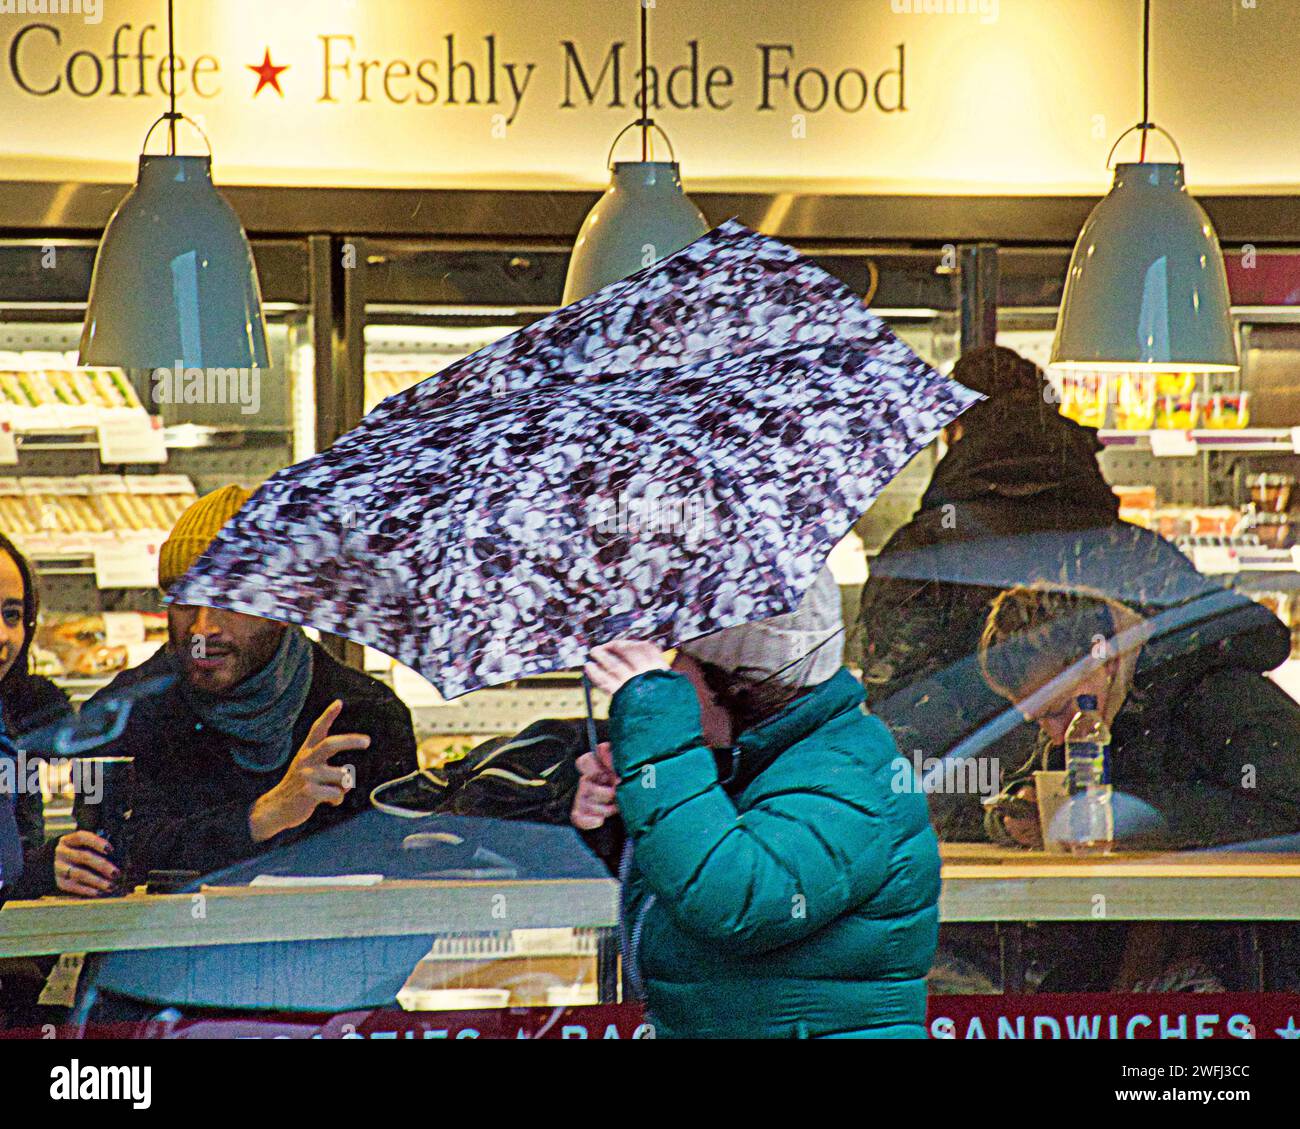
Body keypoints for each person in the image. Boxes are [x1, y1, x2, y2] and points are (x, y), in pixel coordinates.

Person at [855, 344, 1286, 839]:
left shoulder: (922, 553)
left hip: (966, 842)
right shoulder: (1133, 550)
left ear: (955, 432)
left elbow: (894, 708)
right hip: (1117, 853)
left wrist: (976, 810)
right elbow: (1245, 637)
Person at [574, 569, 940, 1038]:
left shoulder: (844, 777)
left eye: (682, 662)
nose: (674, 675)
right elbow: (694, 876)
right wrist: (624, 819)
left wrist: (657, 731)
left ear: (739, 686)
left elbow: (734, 899)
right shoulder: (759, 763)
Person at [64, 485, 417, 894]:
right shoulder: (124, 714)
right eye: (183, 600)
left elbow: (401, 892)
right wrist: (261, 817)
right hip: (165, 956)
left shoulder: (364, 717)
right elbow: (112, 862)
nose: (202, 629)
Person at [979, 584, 1300, 850]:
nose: (1056, 736)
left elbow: (1285, 812)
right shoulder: (1093, 706)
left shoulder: (1222, 696)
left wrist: (1128, 814)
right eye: (1036, 720)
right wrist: (1017, 815)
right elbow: (1022, 785)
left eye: (1060, 710)